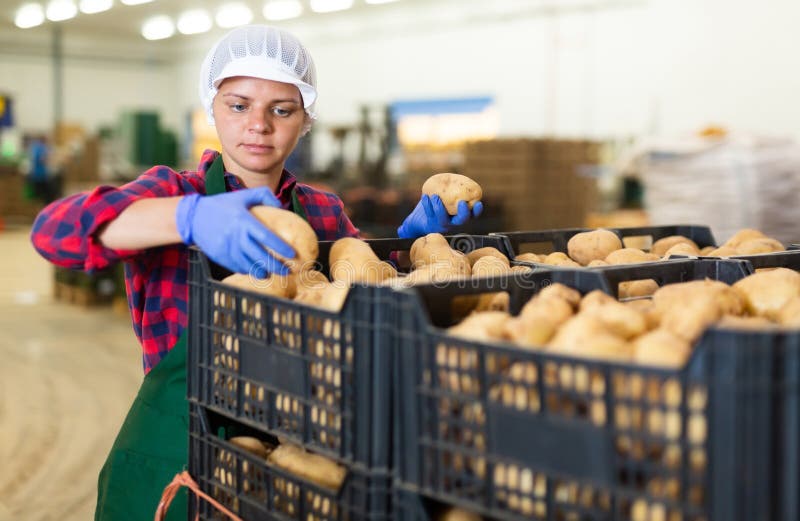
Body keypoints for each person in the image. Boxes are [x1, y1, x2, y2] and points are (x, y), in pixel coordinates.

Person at [30, 24, 482, 521]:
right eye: (239, 105)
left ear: (304, 119)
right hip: (179, 447)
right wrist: (187, 218)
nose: (258, 126)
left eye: (281, 110)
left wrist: (412, 239)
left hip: (294, 446)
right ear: (213, 107)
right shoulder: (172, 192)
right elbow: (54, 234)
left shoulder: (324, 212)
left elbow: (370, 288)